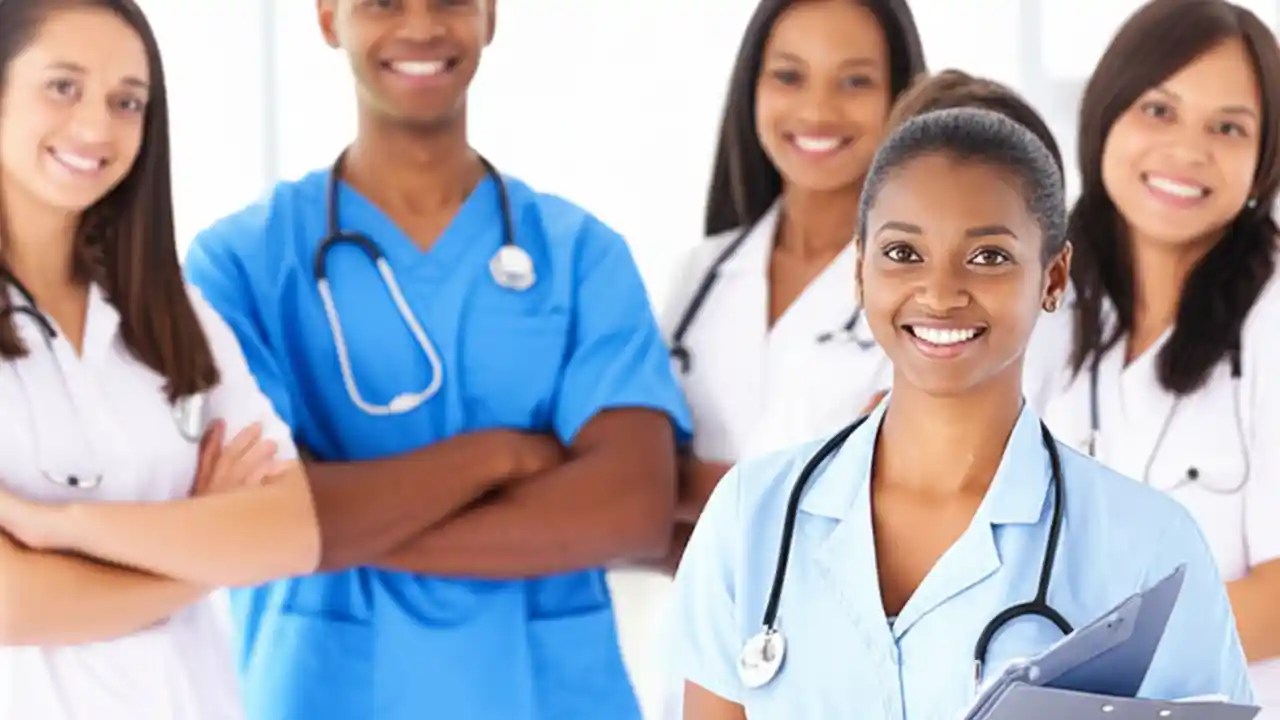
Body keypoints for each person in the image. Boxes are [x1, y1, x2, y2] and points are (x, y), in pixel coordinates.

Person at [182, 1, 692, 719]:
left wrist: (328, 529)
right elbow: (253, 511)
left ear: (489, 14)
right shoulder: (243, 262)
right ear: (329, 17)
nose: (420, 25)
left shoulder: (581, 254)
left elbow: (631, 509)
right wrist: (499, 455)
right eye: (384, 1)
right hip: (326, 692)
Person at [669, 107, 1253, 718]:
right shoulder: (752, 516)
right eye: (902, 251)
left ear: (1052, 278)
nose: (941, 292)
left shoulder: (1150, 546)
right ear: (860, 270)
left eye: (989, 257)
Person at [0, 1, 319, 718]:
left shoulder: (172, 312)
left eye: (127, 102)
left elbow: (293, 532)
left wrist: (63, 528)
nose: (96, 127)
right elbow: (10, 603)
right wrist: (202, 553)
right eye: (63, 86)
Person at [1024, 0, 1280, 712]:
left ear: (1263, 160)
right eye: (1159, 110)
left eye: (1228, 127)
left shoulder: (1273, 317)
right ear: (1105, 114)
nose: (1188, 150)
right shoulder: (1045, 294)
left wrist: (1078, 657)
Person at [661, 0, 926, 570]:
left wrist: (685, 485)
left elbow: (902, 509)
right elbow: (630, 492)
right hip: (691, 635)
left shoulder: (929, 291)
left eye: (855, 81)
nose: (817, 108)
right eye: (788, 76)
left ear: (901, 98)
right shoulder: (697, 276)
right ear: (751, 88)